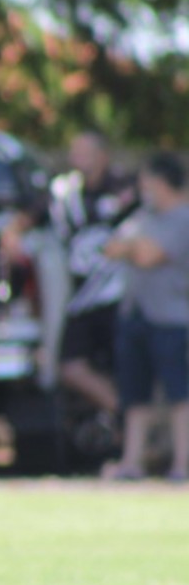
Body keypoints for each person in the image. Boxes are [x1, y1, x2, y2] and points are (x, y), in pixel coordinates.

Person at [0, 131, 138, 425]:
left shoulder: (126, 187)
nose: (77, 157)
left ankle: (135, 428)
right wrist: (11, 236)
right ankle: (125, 416)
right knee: (70, 365)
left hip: (122, 295)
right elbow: (26, 219)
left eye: (84, 151)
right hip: (81, 297)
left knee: (130, 366)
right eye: (74, 151)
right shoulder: (62, 191)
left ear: (102, 155)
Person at [101, 152, 189, 482]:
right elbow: (112, 247)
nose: (143, 189)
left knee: (181, 394)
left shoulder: (183, 219)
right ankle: (132, 462)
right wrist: (133, 246)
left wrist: (132, 247)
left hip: (173, 318)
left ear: (162, 183)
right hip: (135, 315)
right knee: (134, 396)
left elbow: (151, 255)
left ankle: (183, 464)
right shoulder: (143, 217)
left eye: (148, 183)